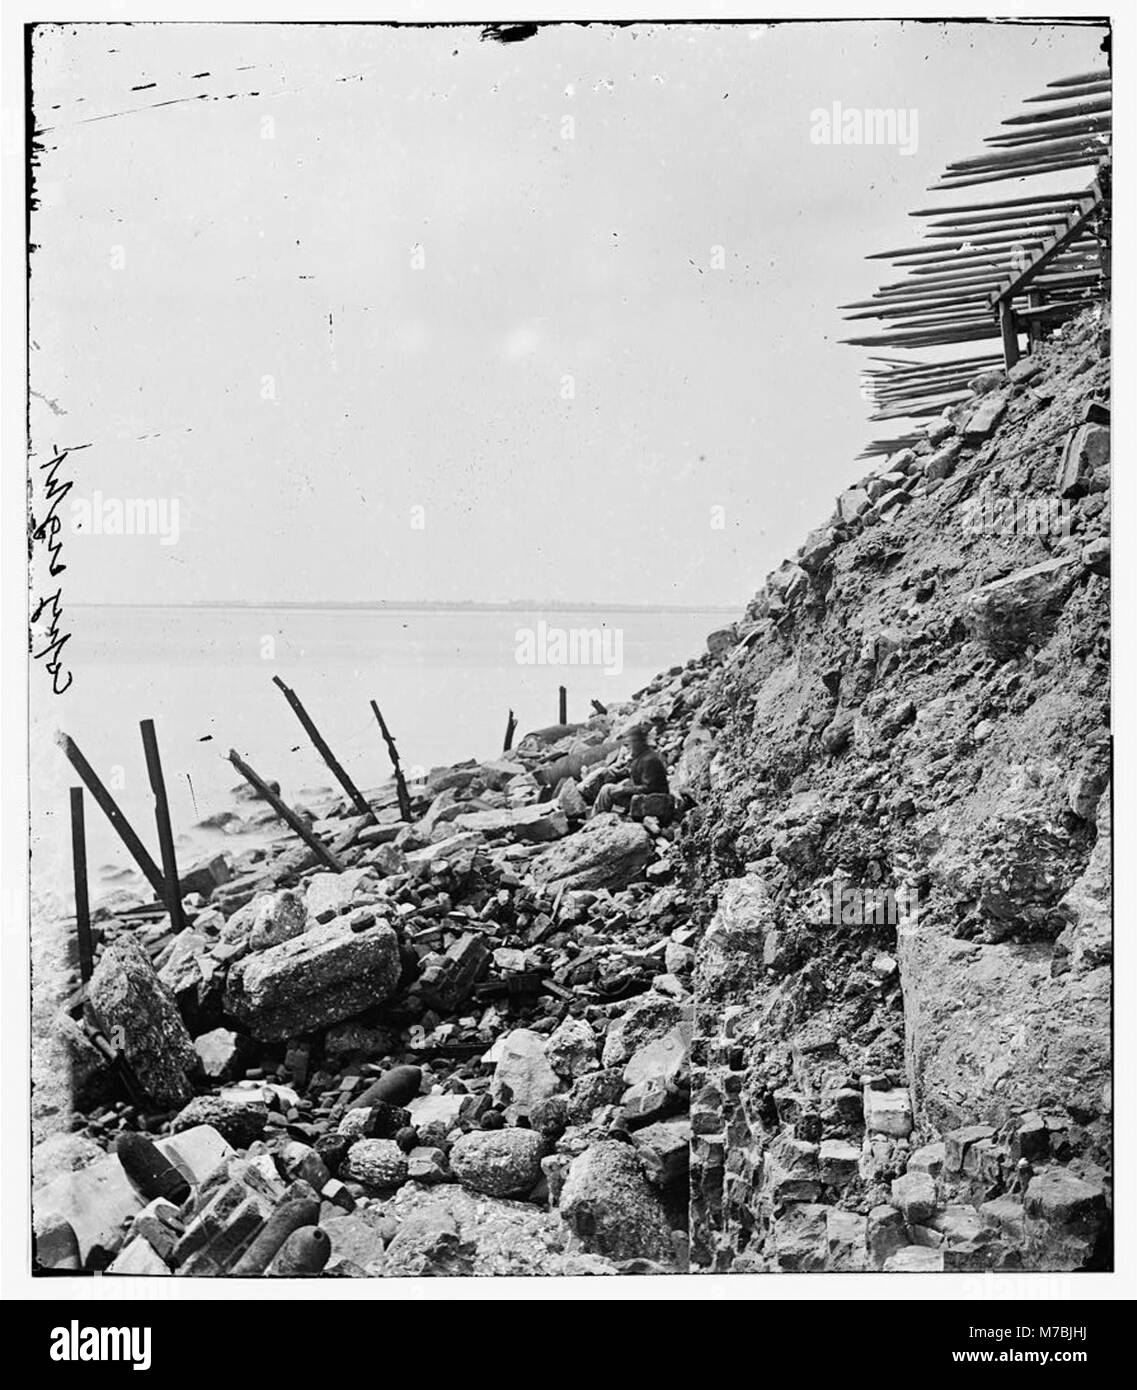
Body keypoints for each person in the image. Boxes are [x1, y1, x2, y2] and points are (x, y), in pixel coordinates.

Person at [592, 724, 669, 814]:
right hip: (646, 798)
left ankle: (596, 818)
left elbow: (649, 788)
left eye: (630, 743)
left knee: (607, 790)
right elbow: (638, 776)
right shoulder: (642, 756)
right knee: (615, 787)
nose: (627, 746)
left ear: (638, 742)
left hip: (655, 802)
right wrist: (622, 774)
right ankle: (599, 816)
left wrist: (624, 790)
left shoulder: (649, 760)